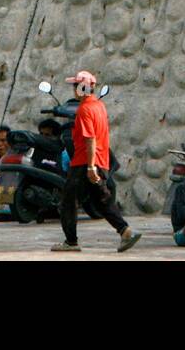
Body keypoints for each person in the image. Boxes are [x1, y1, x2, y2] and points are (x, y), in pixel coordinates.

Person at [51, 70, 141, 253]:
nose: (74, 89)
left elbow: (90, 138)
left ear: (82, 87)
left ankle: (71, 241)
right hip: (101, 161)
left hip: (85, 163)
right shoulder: (99, 106)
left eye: (76, 86)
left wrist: (90, 167)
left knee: (68, 201)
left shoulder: (84, 109)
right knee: (102, 199)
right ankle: (126, 232)